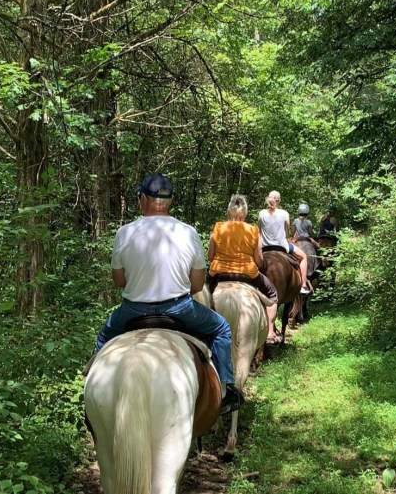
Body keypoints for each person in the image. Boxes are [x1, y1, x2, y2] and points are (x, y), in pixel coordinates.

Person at [95, 173, 243, 414]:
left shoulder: (124, 232)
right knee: (221, 329)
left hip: (133, 310)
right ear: (170, 201)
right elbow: (196, 285)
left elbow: (119, 281)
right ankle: (226, 390)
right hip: (179, 309)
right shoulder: (188, 232)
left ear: (143, 199)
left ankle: (94, 393)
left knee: (103, 337)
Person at [207, 194, 279, 338]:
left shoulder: (218, 228)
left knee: (197, 294)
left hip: (219, 274)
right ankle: (270, 331)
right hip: (248, 274)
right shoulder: (253, 230)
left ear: (229, 211)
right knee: (272, 294)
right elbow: (259, 260)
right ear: (245, 213)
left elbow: (210, 256)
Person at [258, 190, 311, 294]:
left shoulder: (261, 213)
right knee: (304, 256)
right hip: (282, 246)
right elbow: (287, 233)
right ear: (279, 200)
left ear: (268, 199)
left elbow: (259, 230)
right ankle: (303, 285)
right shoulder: (284, 213)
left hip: (265, 247)